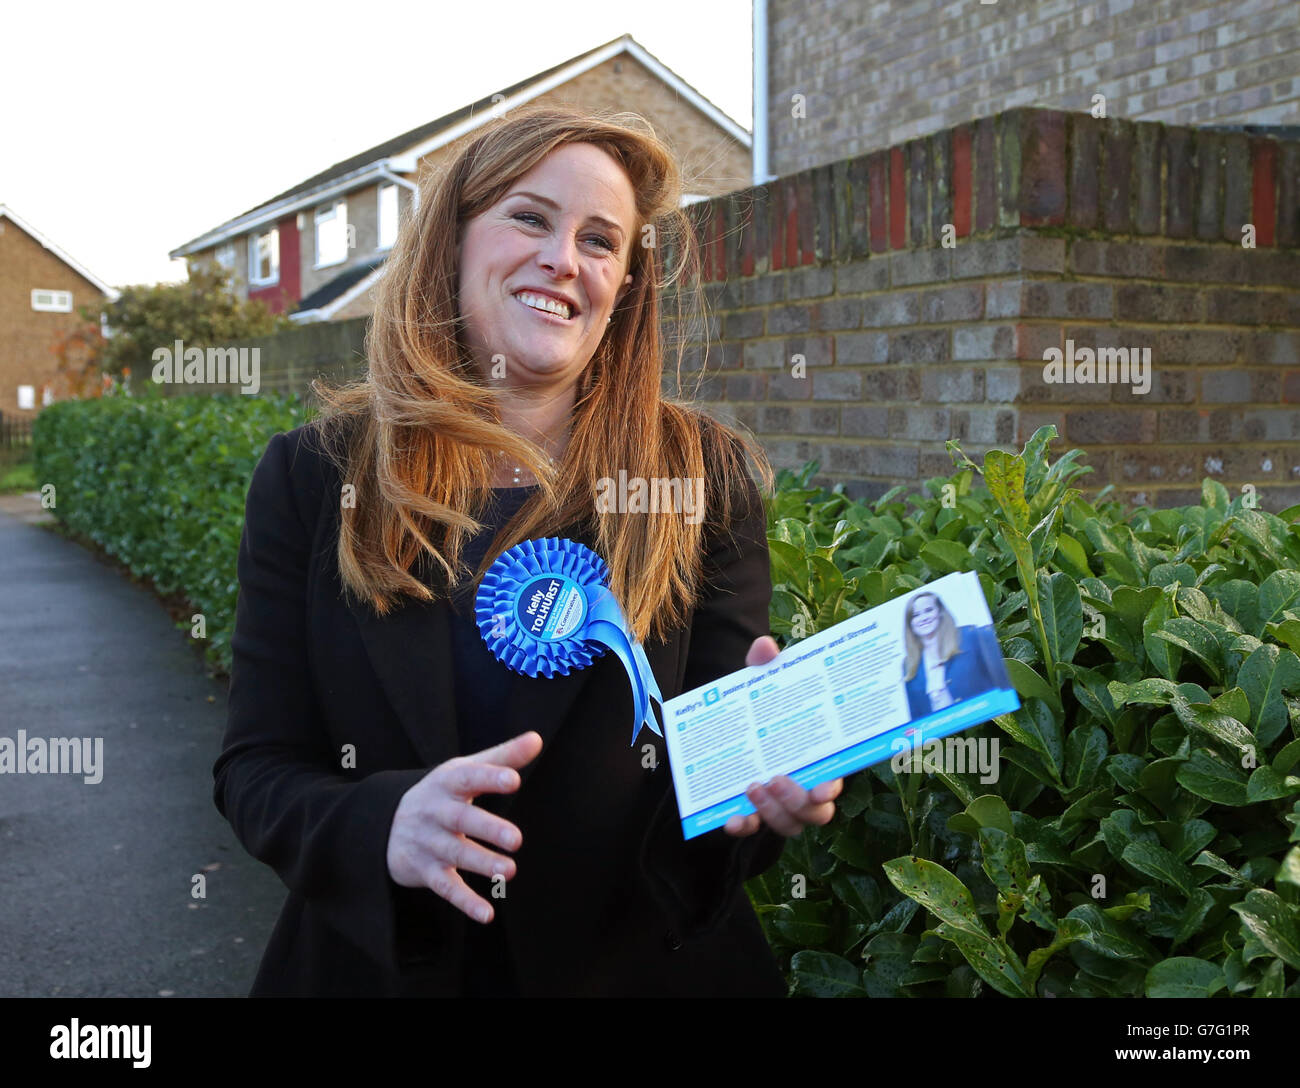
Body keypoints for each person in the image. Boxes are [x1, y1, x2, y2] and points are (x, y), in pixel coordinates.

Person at [212, 106, 843, 998]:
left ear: (624, 283)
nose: (564, 259)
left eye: (601, 240)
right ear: (454, 242)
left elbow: (711, 777)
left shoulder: (704, 478)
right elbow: (257, 768)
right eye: (530, 217)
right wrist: (383, 822)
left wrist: (763, 796)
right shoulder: (315, 478)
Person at [900, 592, 1004, 721]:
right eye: (915, 615)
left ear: (940, 612)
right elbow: (916, 715)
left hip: (988, 721)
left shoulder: (970, 636)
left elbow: (998, 679)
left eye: (928, 610)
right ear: (910, 623)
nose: (923, 618)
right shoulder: (908, 664)